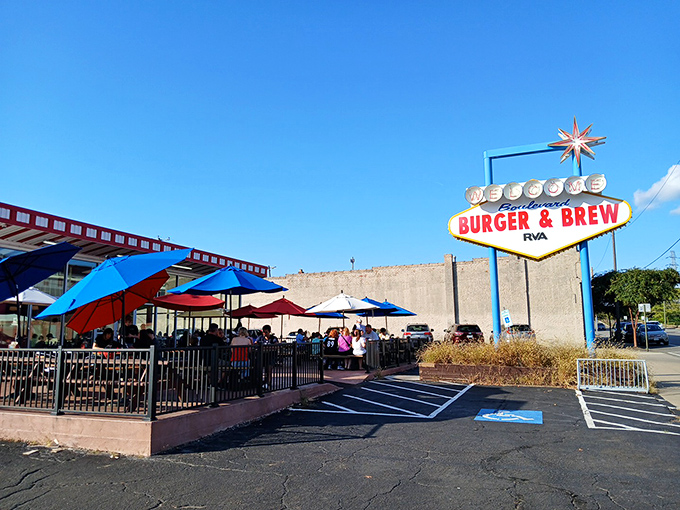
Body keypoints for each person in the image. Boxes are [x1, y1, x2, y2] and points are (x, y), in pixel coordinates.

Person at [255, 324, 278, 389]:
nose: (264, 334)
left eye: (266, 332)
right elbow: (256, 343)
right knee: (259, 368)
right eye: (264, 332)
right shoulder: (260, 337)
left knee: (269, 369)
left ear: (269, 332)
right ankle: (260, 383)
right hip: (262, 356)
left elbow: (276, 347)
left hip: (271, 356)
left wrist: (265, 348)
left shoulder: (273, 338)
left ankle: (268, 382)